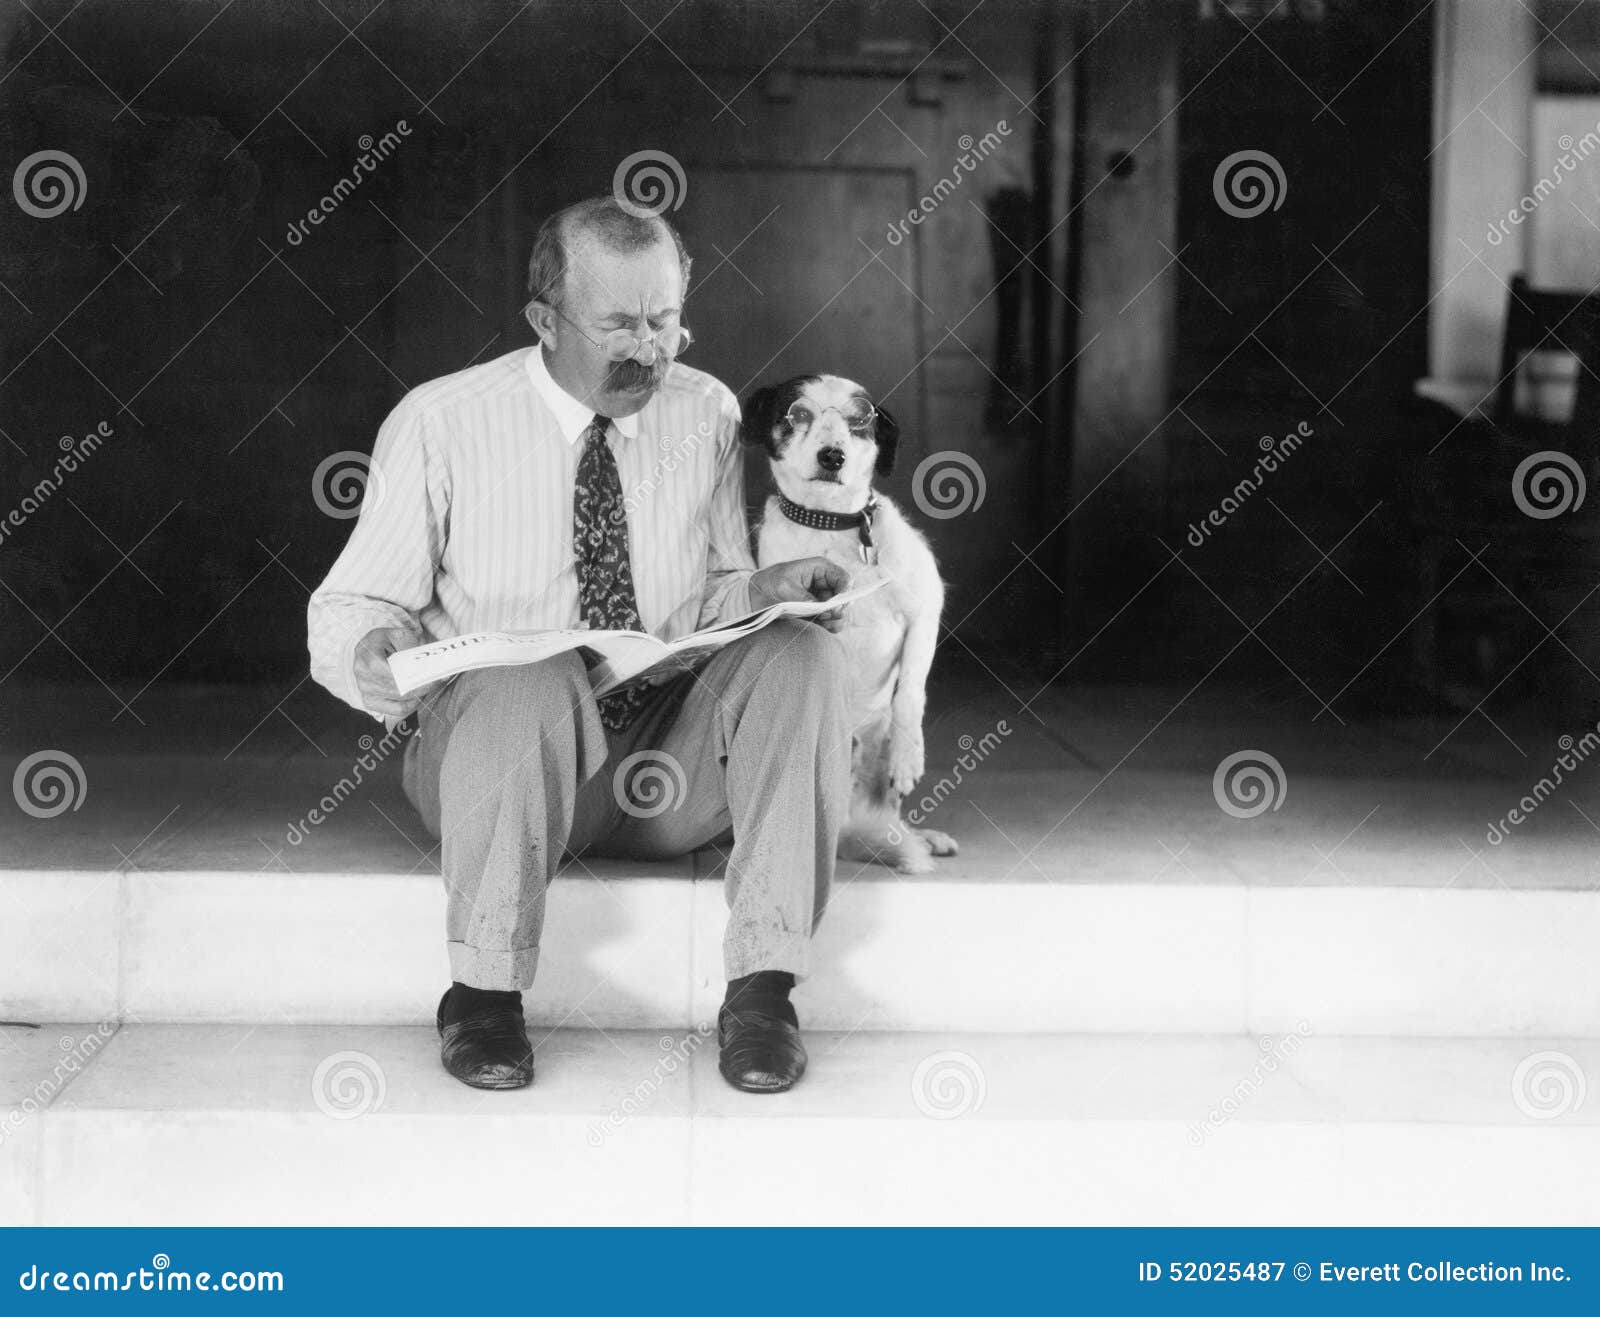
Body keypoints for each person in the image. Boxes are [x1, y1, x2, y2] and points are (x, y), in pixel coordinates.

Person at [307, 196, 853, 1094]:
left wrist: (764, 590)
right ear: (543, 321)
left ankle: (762, 992)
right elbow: (352, 600)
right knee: (532, 671)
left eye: (665, 320)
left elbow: (714, 591)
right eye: (618, 324)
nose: (649, 348)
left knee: (804, 656)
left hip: (661, 774)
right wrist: (371, 646)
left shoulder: (705, 410)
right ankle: (481, 997)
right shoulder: (442, 422)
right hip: (500, 766)